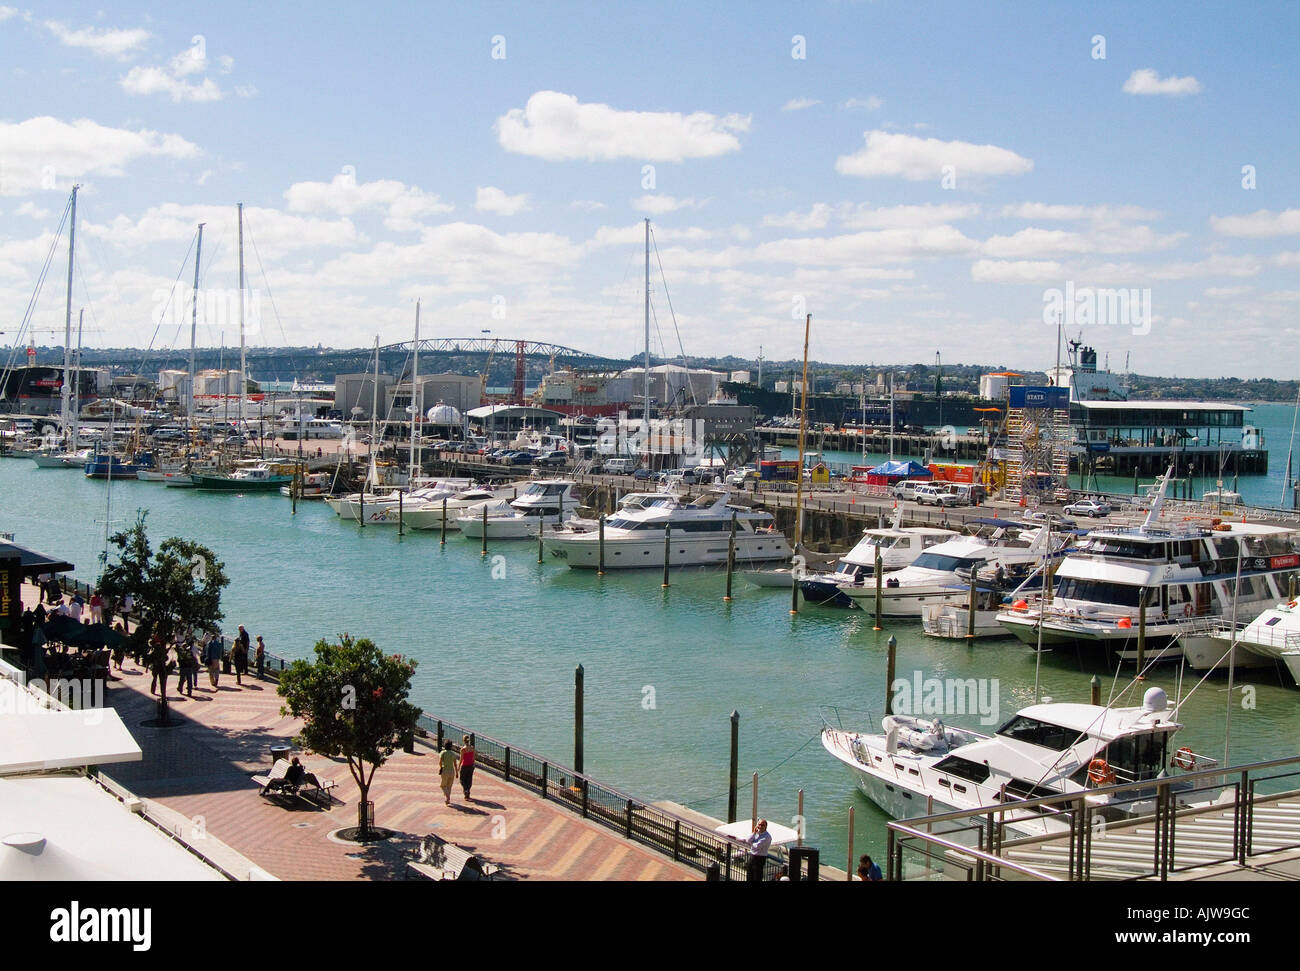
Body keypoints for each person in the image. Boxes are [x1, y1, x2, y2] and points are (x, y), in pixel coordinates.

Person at [438, 740, 457, 806]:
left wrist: (440, 767)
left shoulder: (443, 753)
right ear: (451, 746)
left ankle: (447, 797)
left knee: (443, 785)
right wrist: (457, 772)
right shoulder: (453, 754)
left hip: (445, 770)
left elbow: (440, 762)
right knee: (449, 786)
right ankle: (447, 800)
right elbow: (455, 764)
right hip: (452, 771)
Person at [458, 734, 476, 801]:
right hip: (471, 765)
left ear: (463, 741)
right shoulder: (472, 748)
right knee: (469, 779)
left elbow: (461, 759)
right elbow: (473, 757)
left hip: (464, 765)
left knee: (462, 779)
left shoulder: (463, 749)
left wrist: (458, 766)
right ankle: (467, 791)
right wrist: (473, 764)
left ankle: (465, 790)